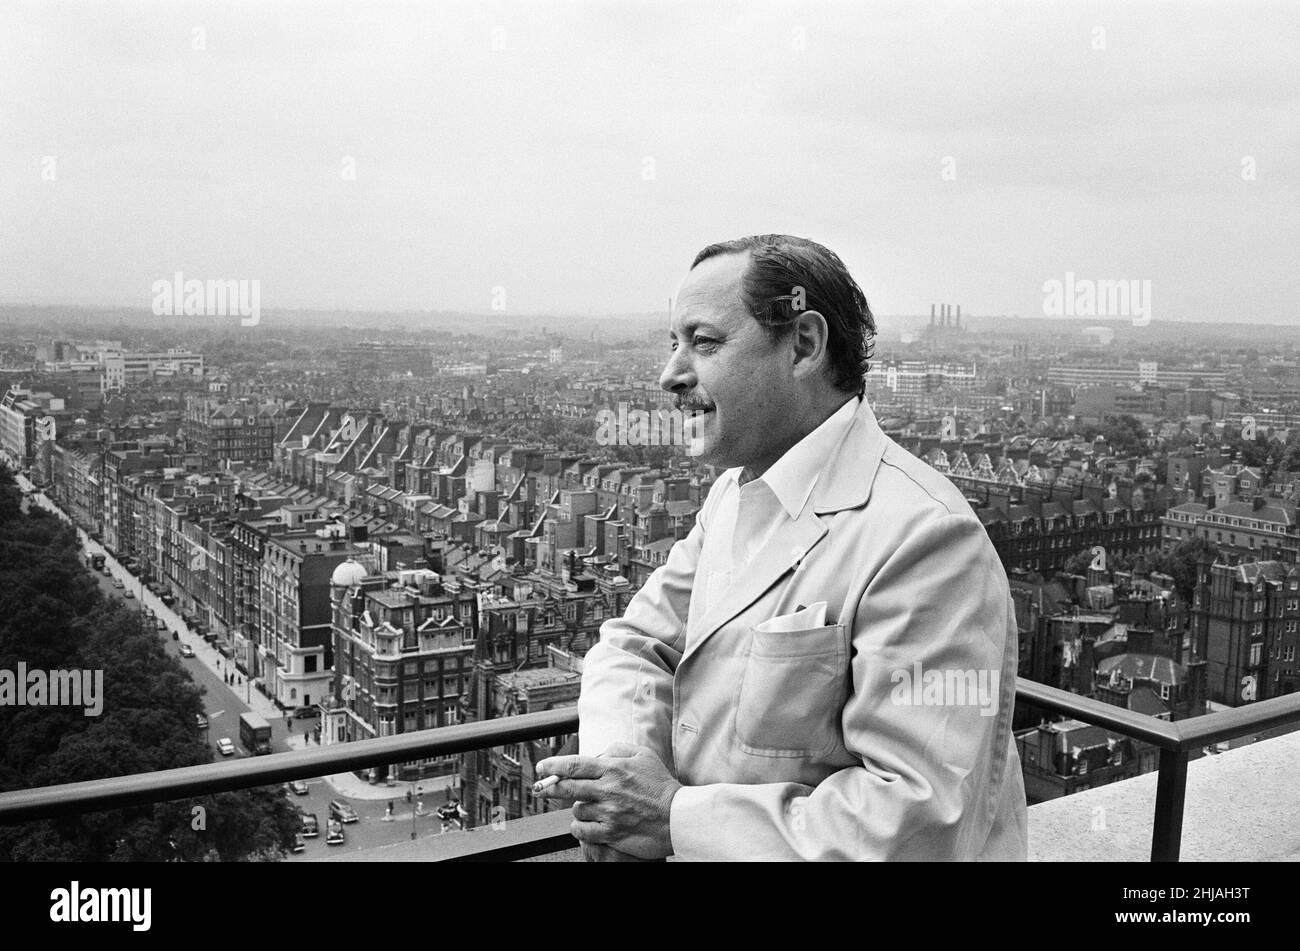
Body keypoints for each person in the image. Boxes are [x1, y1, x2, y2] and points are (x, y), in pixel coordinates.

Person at [536, 234, 1028, 861]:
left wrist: (670, 817)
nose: (670, 375)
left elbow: (917, 822)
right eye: (674, 343)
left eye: (704, 342)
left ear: (803, 345)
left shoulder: (928, 539)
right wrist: (617, 779)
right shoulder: (733, 496)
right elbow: (633, 645)